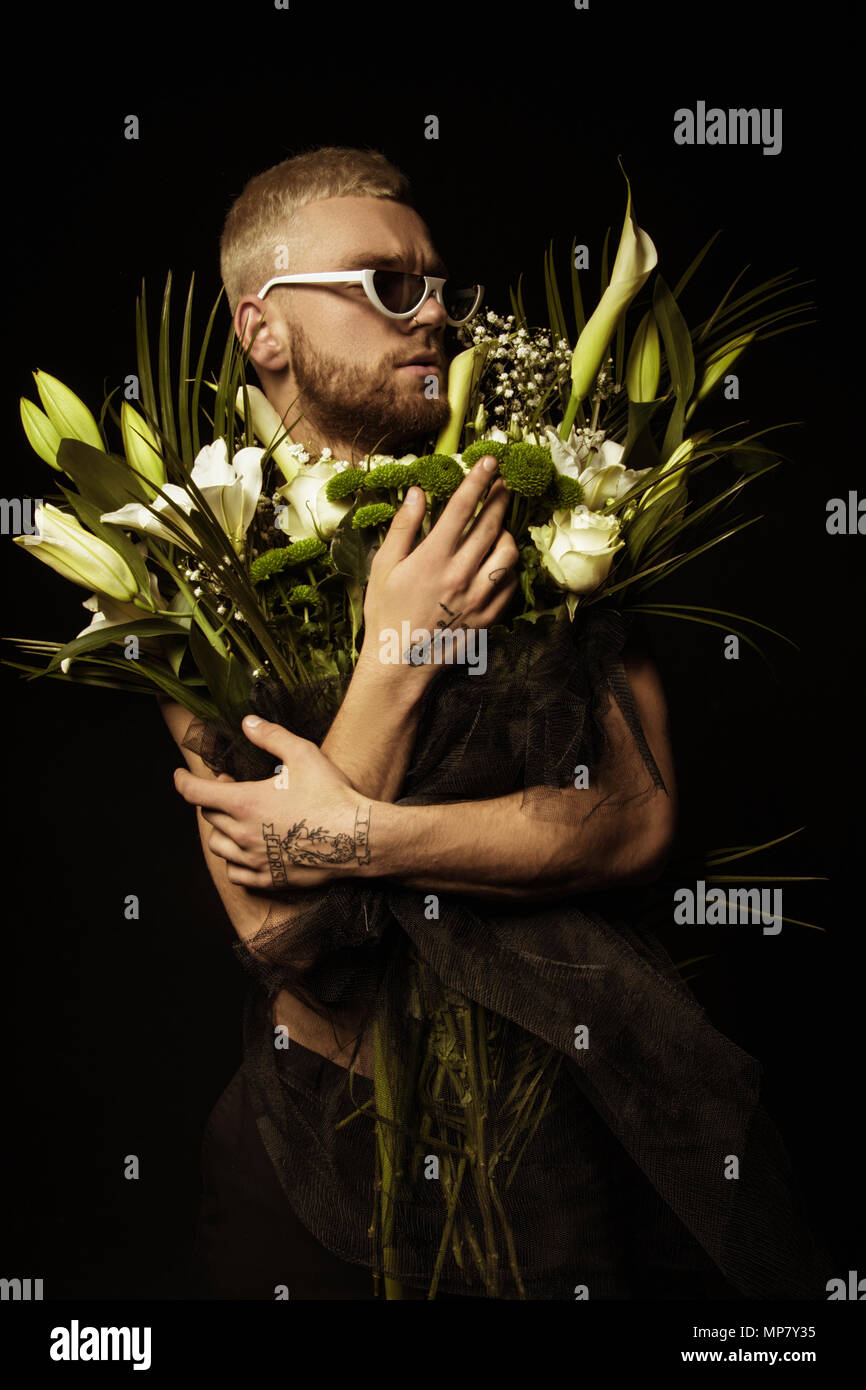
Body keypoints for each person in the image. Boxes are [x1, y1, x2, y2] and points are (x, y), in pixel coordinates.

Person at [159, 147, 829, 1301]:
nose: (435, 318)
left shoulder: (552, 509)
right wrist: (398, 653)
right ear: (262, 330)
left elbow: (626, 824)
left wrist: (348, 831)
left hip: (570, 1126)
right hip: (311, 1152)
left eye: (438, 286)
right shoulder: (190, 563)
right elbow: (291, 940)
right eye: (384, 286)